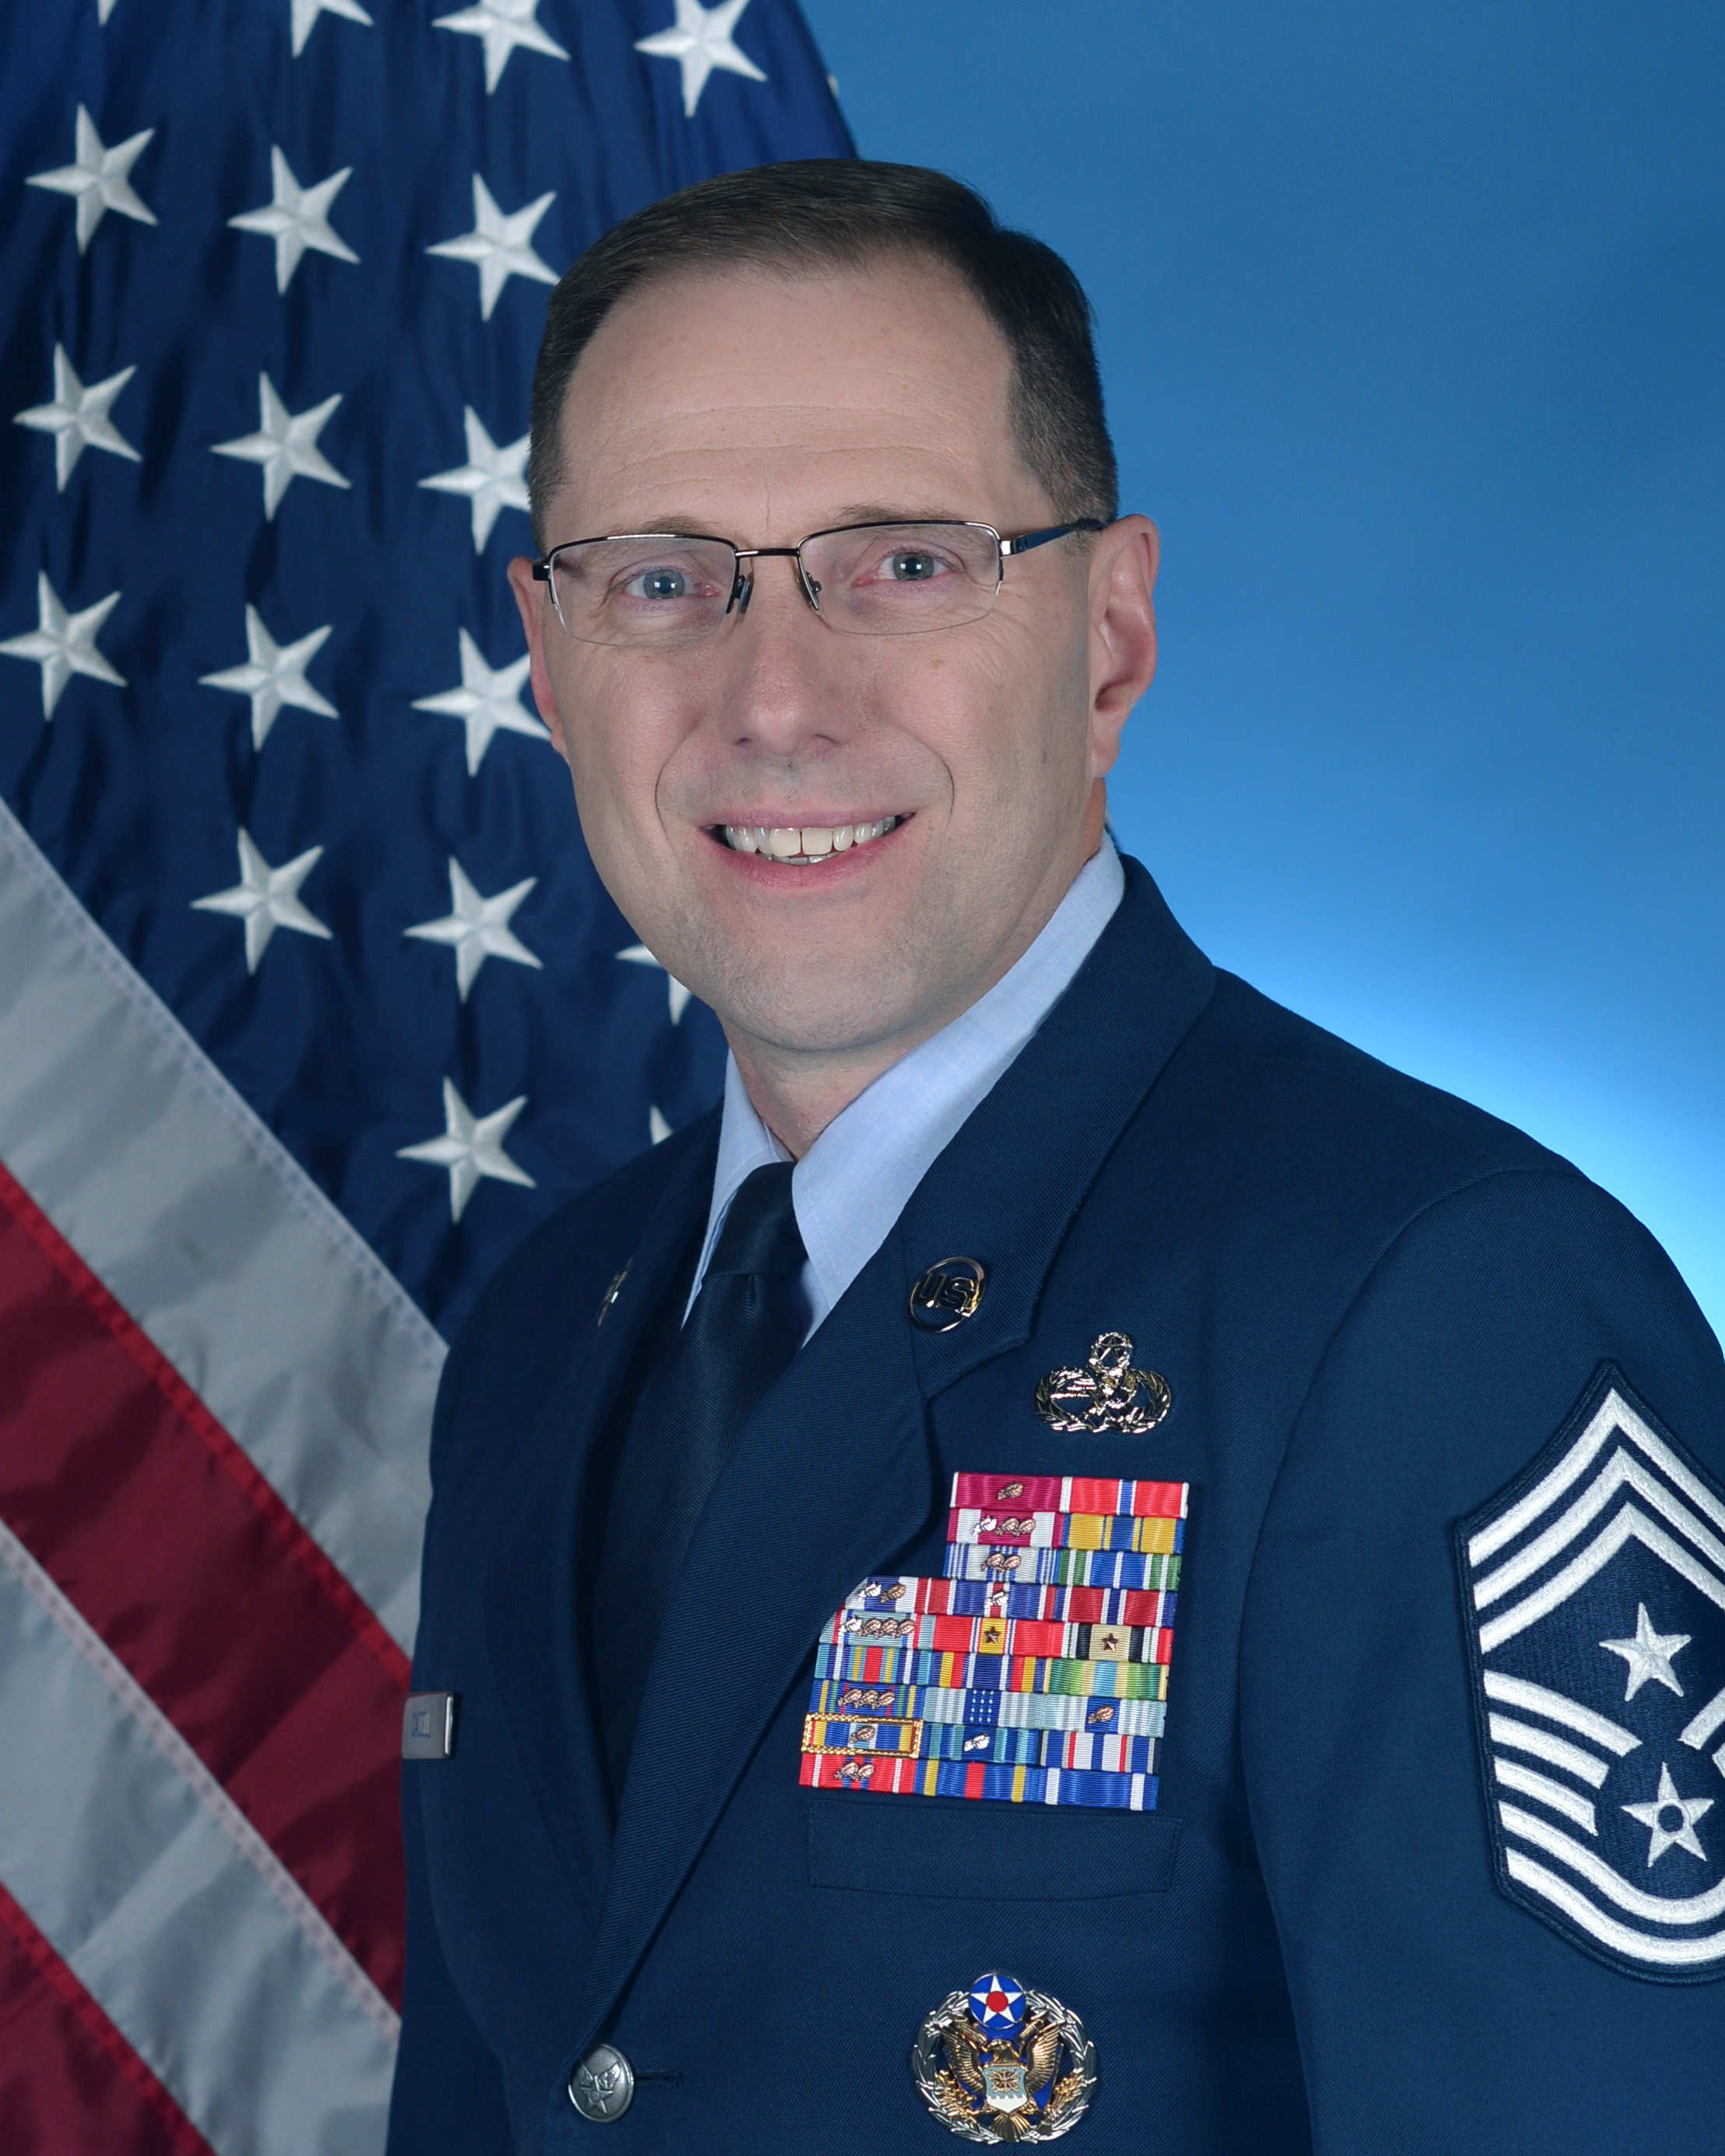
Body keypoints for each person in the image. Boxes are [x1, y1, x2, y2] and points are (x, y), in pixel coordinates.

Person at [385, 162, 1725, 2155]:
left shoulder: (1447, 1313)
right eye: (662, 579)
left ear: (1108, 640)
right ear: (545, 654)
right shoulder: (541, 1331)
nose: (773, 700)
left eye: (901, 562)